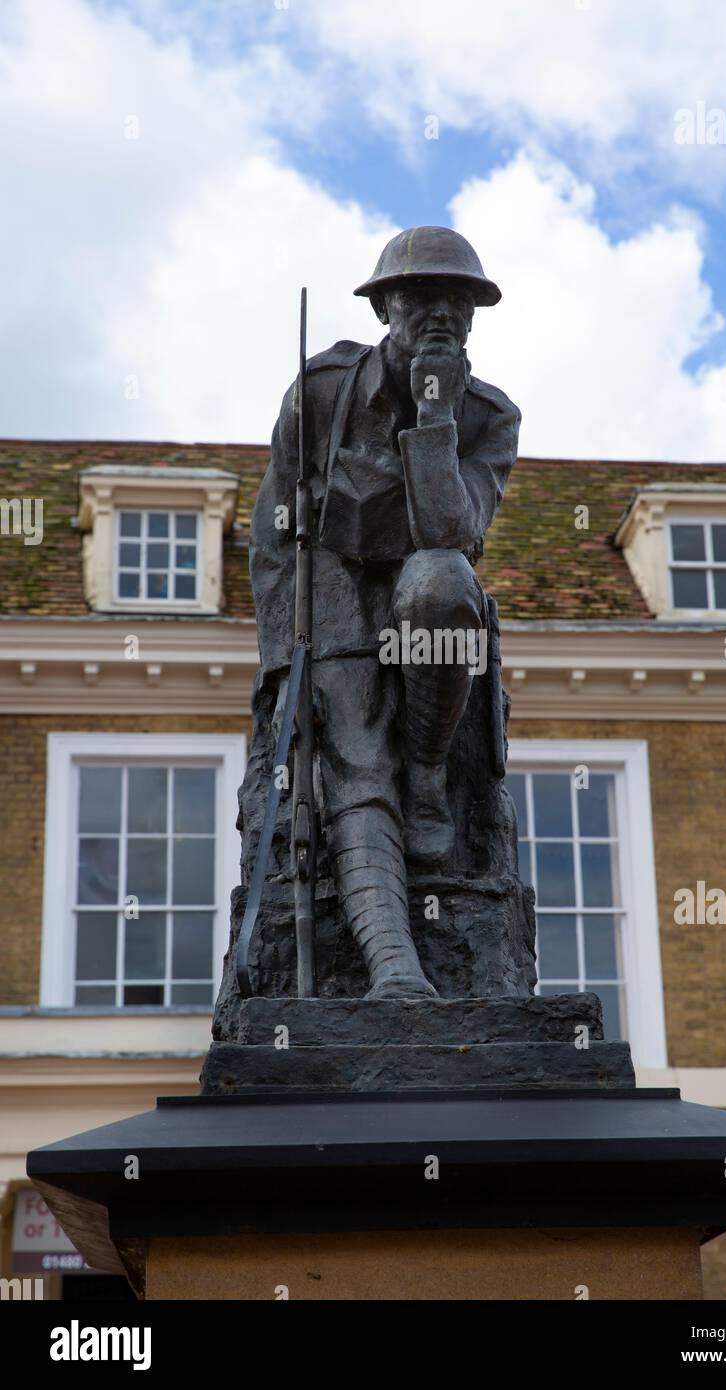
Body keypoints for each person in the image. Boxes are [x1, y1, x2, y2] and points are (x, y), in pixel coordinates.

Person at [250, 227, 521, 998]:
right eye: (421, 298)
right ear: (385, 308)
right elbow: (273, 534)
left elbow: (451, 534)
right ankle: (394, 969)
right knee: (354, 750)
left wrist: (434, 419)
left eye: (457, 300)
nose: (440, 314)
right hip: (332, 591)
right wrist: (286, 667)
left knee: (439, 580)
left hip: (426, 598)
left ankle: (431, 769)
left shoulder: (488, 419)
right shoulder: (320, 394)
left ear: (473, 317)